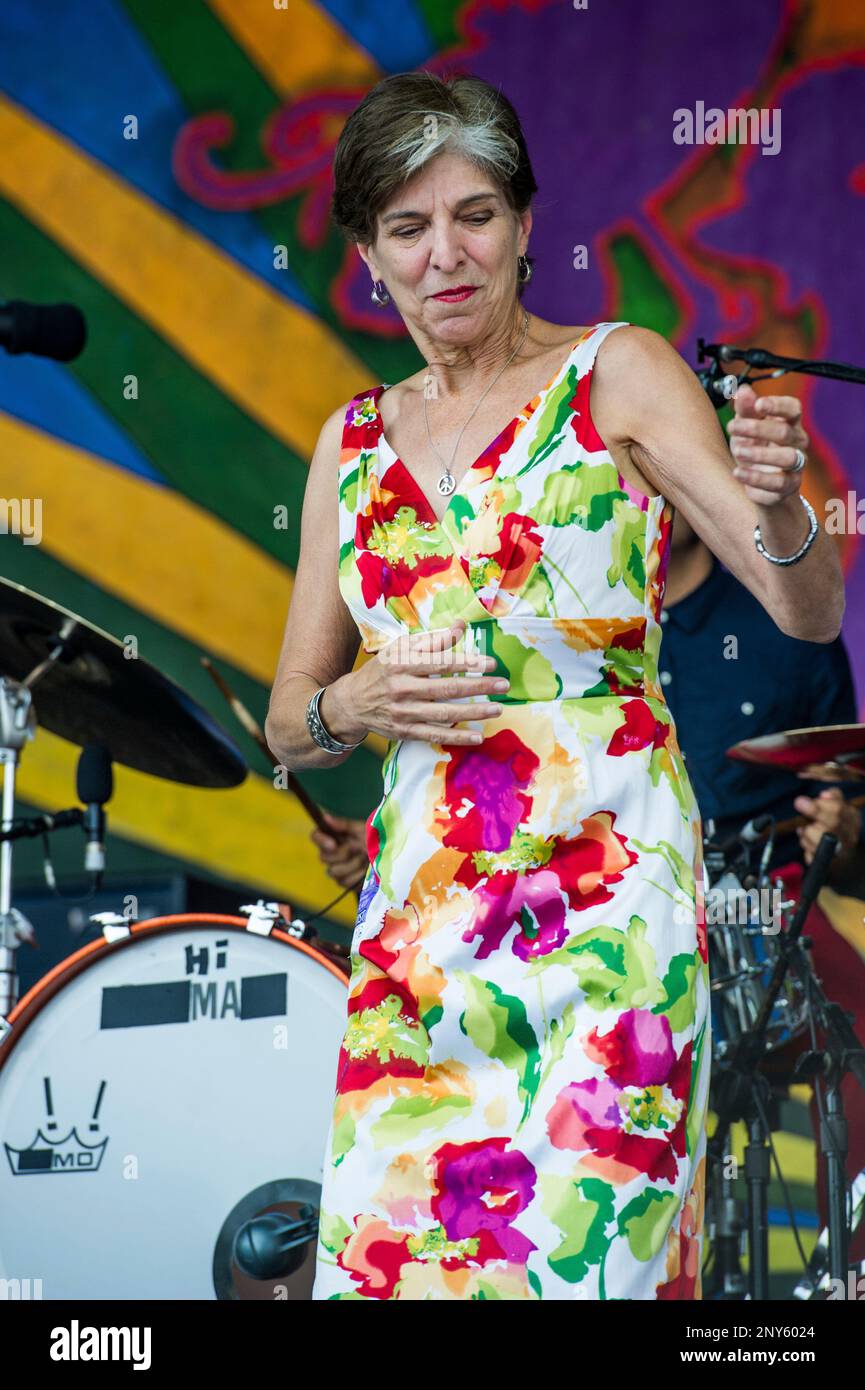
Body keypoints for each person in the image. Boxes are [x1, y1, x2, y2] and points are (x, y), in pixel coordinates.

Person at [264, 71, 844, 1301]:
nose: (445, 255)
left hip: (606, 919)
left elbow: (807, 607)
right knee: (391, 1273)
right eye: (407, 229)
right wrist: (352, 708)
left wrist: (783, 502)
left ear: (526, 224)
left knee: (581, 1270)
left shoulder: (615, 372)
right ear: (368, 257)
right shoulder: (349, 446)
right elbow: (290, 719)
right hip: (419, 930)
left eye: (473, 214)